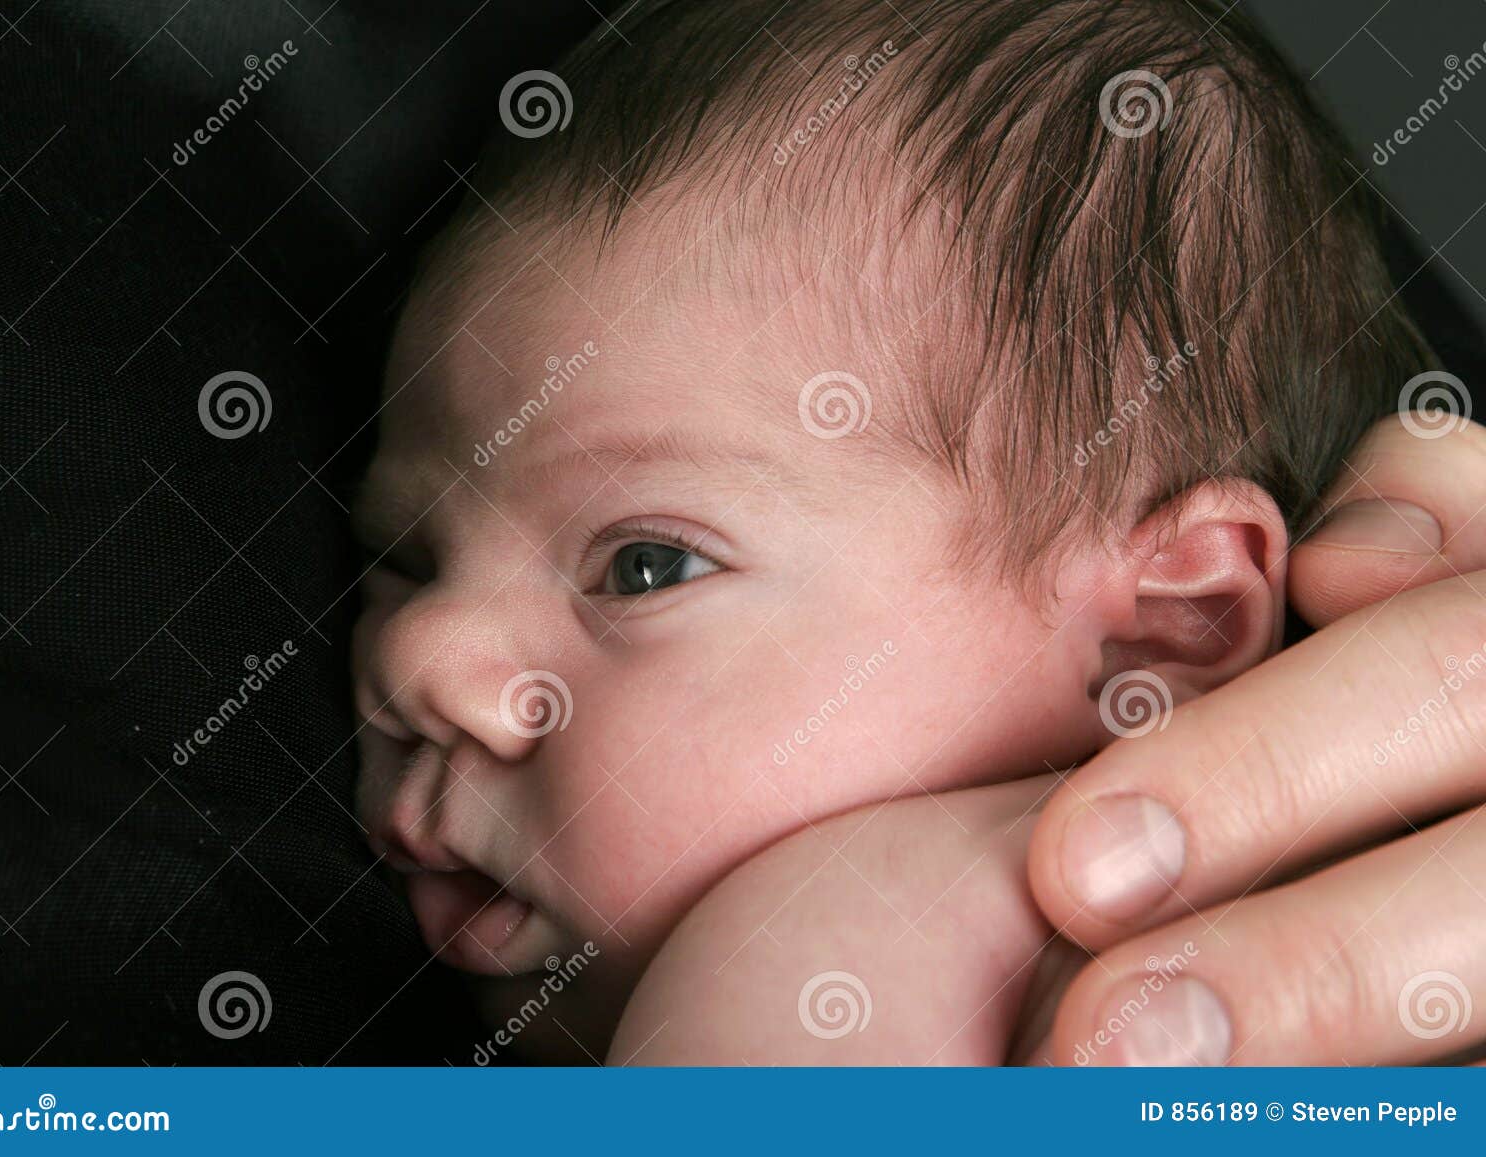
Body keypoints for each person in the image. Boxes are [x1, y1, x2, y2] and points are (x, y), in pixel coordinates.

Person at [349, 0, 1474, 1062]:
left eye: (646, 565)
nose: (417, 658)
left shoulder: (851, 948)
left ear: (1166, 631)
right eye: (405, 564)